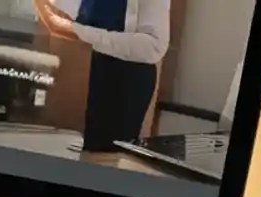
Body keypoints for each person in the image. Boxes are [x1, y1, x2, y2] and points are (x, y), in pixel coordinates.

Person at [33, 0, 171, 153]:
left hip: (128, 78)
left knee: (107, 158)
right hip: (98, 63)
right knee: (89, 153)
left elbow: (153, 46)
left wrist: (78, 32)